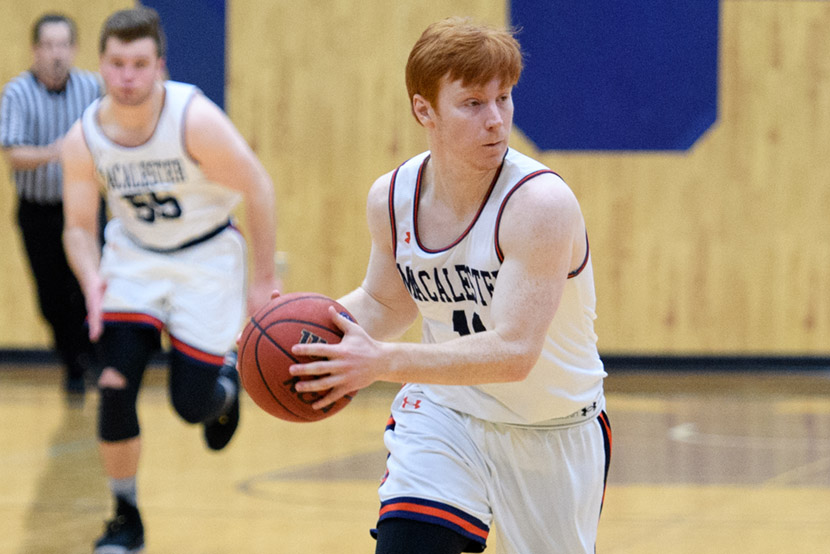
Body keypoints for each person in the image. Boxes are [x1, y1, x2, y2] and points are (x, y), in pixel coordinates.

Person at [286, 17, 611, 554]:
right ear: (424, 110)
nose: (496, 120)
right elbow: (385, 302)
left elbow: (513, 352)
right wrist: (300, 333)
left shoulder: (539, 205)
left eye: (503, 98)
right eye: (473, 103)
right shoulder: (393, 197)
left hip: (552, 428)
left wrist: (380, 362)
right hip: (447, 414)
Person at [60, 7, 279, 554]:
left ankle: (225, 392)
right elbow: (78, 229)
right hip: (133, 259)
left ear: (159, 66)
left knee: (191, 405)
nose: (128, 76)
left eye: (140, 64)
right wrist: (91, 281)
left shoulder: (193, 120)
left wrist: (264, 281)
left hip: (205, 258)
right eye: (117, 64)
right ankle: (125, 517)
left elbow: (258, 187)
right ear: (102, 66)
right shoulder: (84, 137)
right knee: (113, 386)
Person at [1, 13, 103, 395]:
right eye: (48, 45)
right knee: (51, 297)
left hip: (85, 207)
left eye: (63, 45)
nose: (56, 54)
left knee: (89, 285)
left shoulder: (92, 87)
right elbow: (13, 154)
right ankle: (71, 362)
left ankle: (93, 359)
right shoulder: (17, 93)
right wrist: (57, 152)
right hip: (38, 210)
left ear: (73, 49)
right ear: (35, 50)